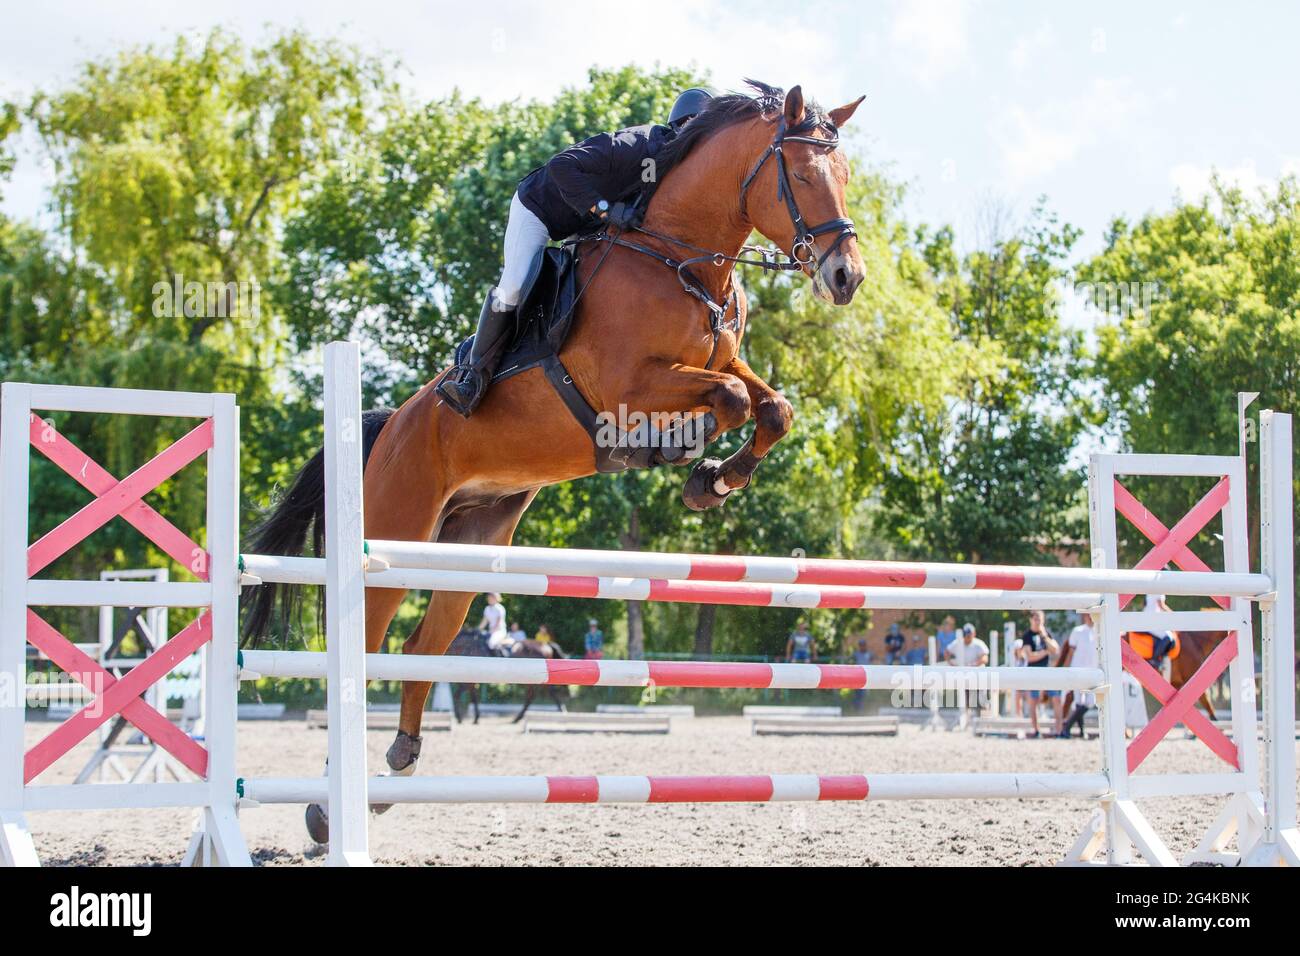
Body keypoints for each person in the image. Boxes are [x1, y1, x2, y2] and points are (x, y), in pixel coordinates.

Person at [436, 87, 715, 417]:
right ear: (684, 125)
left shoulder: (664, 164)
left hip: (583, 226)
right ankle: (472, 376)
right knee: (513, 285)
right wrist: (605, 210)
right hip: (539, 208)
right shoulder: (637, 143)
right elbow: (561, 166)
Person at [1017, 610, 1059, 737]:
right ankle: (1036, 730)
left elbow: (1056, 650)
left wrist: (1045, 636)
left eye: (1039, 619)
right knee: (1033, 701)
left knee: (1056, 698)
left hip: (1047, 670)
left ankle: (1059, 730)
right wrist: (1046, 652)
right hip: (1033, 671)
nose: (1037, 622)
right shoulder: (1027, 636)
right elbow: (1030, 657)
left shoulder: (1045, 634)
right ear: (1031, 620)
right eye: (1035, 619)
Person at [1058, 613, 1097, 739]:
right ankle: (1077, 731)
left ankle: (1067, 728)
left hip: (1092, 671)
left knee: (1089, 702)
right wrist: (1067, 670)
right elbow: (1070, 652)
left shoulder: (1100, 631)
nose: (1090, 617)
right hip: (1077, 669)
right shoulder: (1077, 631)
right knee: (1080, 702)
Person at [850, 637, 872, 712]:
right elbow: (851, 661)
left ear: (865, 645)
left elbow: (875, 660)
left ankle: (862, 709)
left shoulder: (870, 654)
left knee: (863, 694)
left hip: (867, 676)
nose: (862, 646)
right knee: (858, 693)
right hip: (857, 676)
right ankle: (857, 709)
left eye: (863, 645)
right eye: (860, 645)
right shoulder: (856, 654)